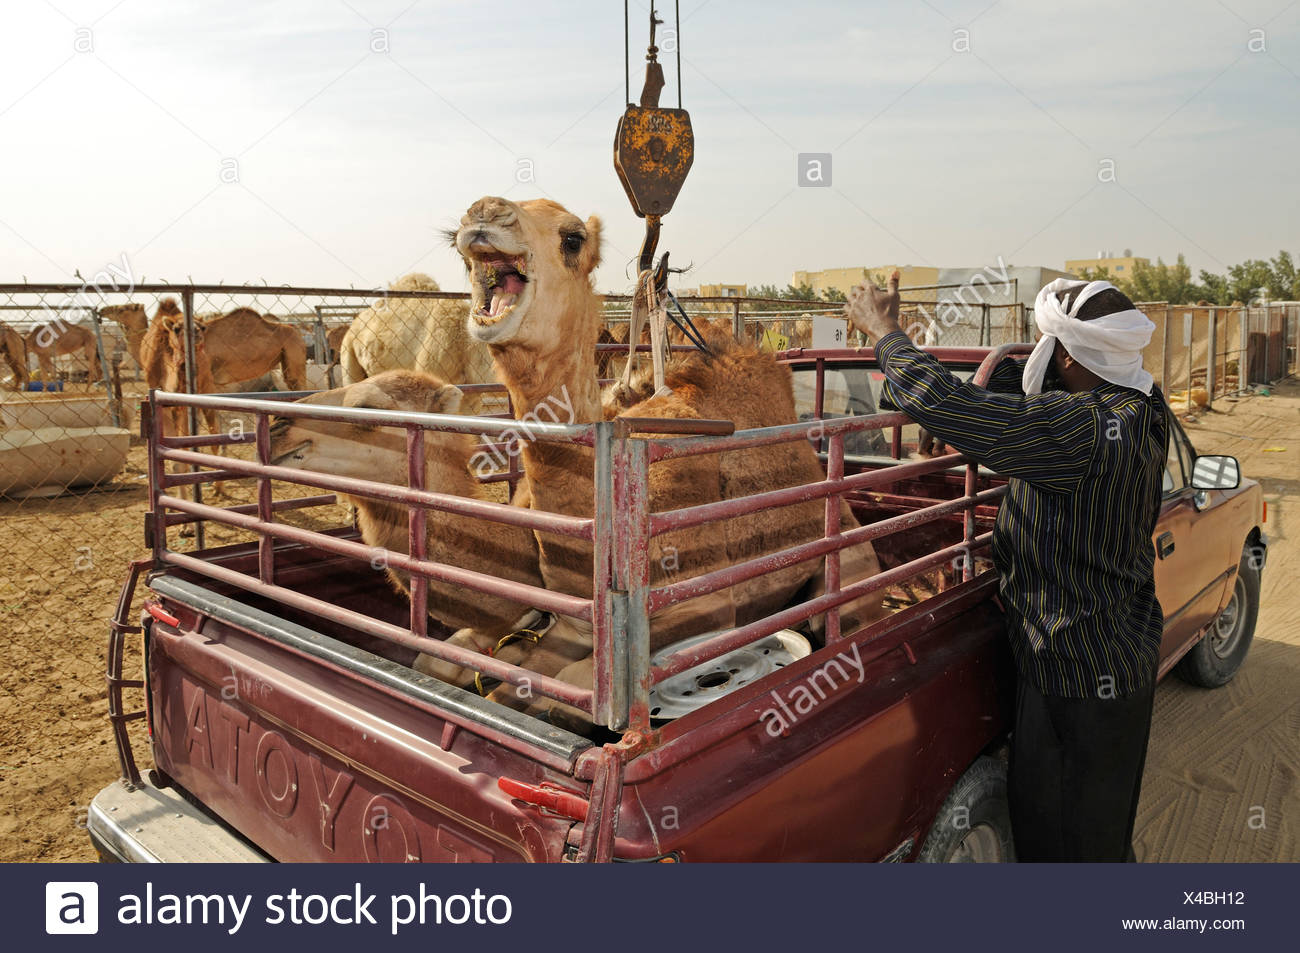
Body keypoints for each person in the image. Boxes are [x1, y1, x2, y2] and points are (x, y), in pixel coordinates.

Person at [844, 272, 1168, 862]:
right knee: (1099, 829)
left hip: (1074, 669)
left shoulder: (1084, 431)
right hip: (1115, 653)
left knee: (1061, 842)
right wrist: (958, 414)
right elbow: (1013, 398)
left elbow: (970, 410)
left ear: (1068, 355)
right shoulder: (1141, 403)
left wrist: (886, 332)